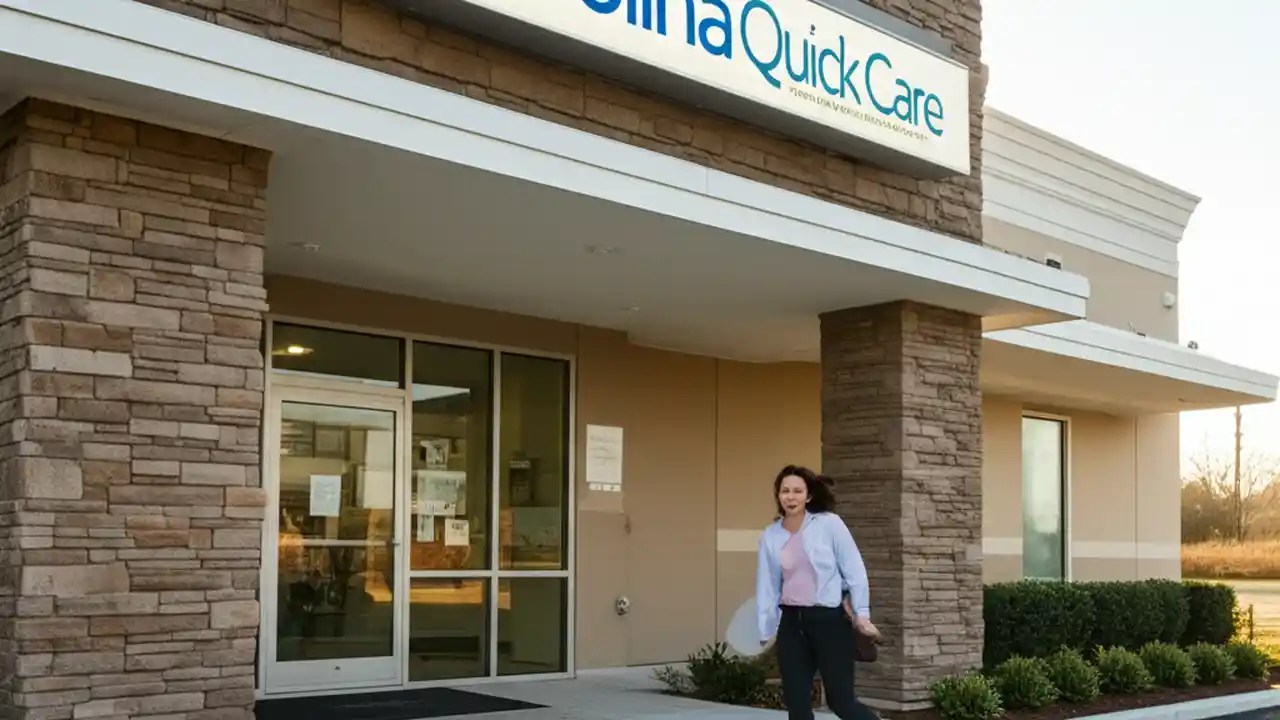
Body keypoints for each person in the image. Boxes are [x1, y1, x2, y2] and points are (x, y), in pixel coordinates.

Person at [756, 465, 880, 720]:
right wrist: (765, 627)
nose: (791, 497)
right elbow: (768, 584)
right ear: (778, 495)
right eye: (785, 491)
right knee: (797, 707)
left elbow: (855, 570)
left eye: (797, 491)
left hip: (829, 622)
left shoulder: (829, 524)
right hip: (792, 624)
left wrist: (862, 614)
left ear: (809, 496)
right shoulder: (771, 535)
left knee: (841, 702)